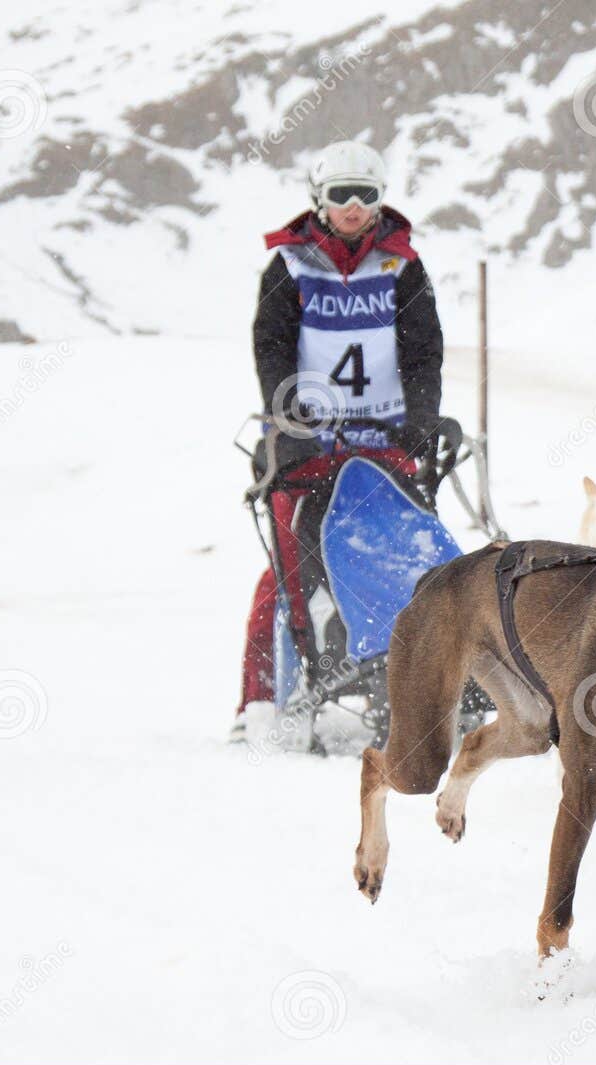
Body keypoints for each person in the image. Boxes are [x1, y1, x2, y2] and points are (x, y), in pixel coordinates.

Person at [231, 140, 444, 741]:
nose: (354, 207)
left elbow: (423, 352)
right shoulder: (290, 265)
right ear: (319, 200)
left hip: (384, 440)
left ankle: (398, 681)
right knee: (288, 568)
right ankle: (258, 703)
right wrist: (288, 416)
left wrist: (422, 419)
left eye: (366, 196)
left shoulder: (402, 266)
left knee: (397, 557)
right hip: (307, 443)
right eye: (341, 195)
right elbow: (272, 348)